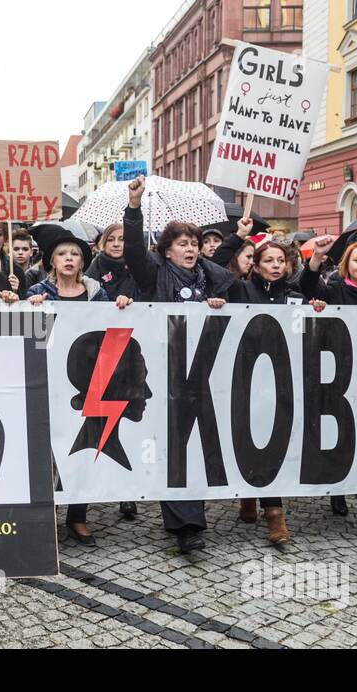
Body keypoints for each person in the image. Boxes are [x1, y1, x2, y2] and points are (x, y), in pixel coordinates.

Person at [119, 176, 232, 553]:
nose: (191, 249)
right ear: (166, 251)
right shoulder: (153, 275)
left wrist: (215, 308)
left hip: (200, 375)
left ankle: (188, 519)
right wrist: (134, 207)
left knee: (193, 449)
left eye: (195, 243)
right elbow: (134, 251)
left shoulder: (210, 280)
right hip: (164, 374)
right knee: (173, 449)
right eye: (183, 243)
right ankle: (185, 525)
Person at [25, 224, 134, 543]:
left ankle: (77, 516)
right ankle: (44, 516)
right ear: (51, 261)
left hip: (86, 383)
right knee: (47, 450)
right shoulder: (37, 293)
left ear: (82, 262)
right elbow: (29, 338)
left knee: (82, 448)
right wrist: (28, 309)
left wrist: (122, 305)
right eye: (62, 254)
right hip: (48, 378)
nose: (69, 258)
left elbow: (108, 328)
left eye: (74, 253)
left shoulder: (96, 293)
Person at [223, 239, 325, 546]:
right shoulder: (241, 290)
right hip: (246, 377)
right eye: (268, 260)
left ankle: (274, 512)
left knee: (273, 442)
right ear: (255, 264)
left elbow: (310, 292)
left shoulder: (293, 294)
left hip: (281, 380)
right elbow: (217, 269)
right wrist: (237, 239)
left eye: (281, 260)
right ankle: (251, 497)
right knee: (247, 439)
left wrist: (315, 307)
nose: (276, 266)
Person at [298, 232, 357, 545]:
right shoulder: (336, 290)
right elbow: (308, 287)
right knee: (341, 436)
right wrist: (316, 260)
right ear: (346, 265)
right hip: (338, 376)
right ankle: (338, 486)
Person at [85, 223, 141, 301]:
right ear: (103, 243)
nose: (116, 244)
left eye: (122, 239)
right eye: (110, 240)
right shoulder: (94, 268)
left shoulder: (140, 267)